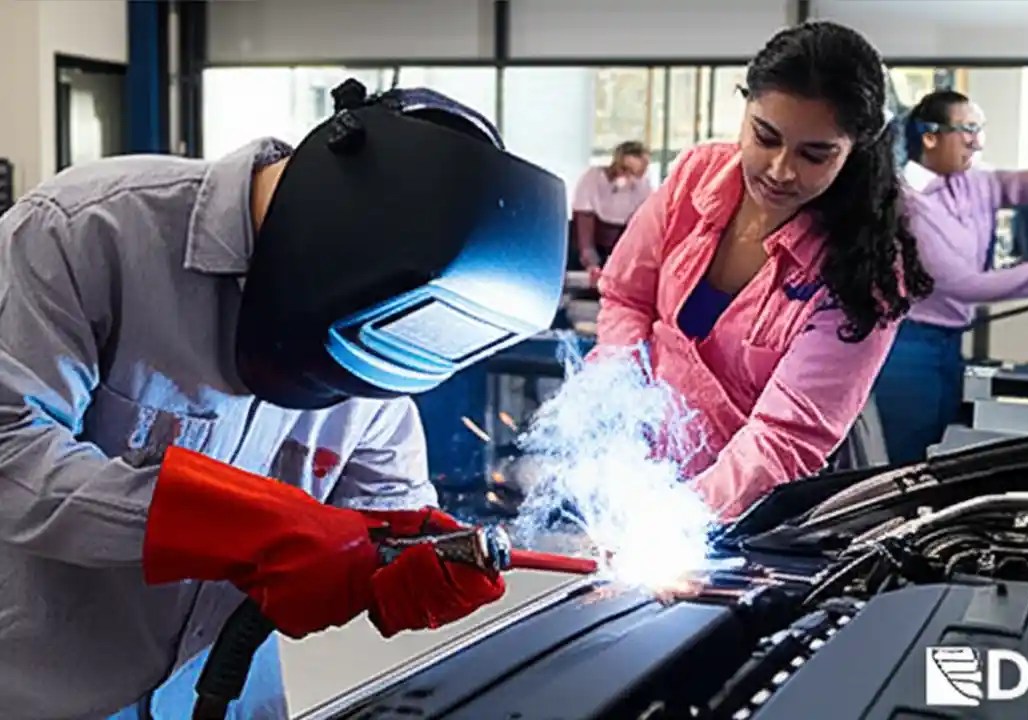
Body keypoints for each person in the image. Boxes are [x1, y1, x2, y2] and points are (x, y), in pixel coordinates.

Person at [0, 79, 568, 719]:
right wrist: (232, 525)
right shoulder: (85, 232)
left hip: (231, 698)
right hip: (42, 694)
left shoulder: (391, 319)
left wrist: (401, 557)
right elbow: (10, 449)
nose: (351, 390)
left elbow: (381, 501)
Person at [593, 21, 933, 521]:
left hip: (751, 513)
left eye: (814, 154)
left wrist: (674, 519)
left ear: (856, 147)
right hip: (639, 471)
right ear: (746, 107)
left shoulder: (869, 268)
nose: (779, 170)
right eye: (765, 136)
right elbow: (626, 298)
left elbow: (786, 436)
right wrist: (614, 410)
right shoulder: (695, 175)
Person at [872, 89, 1028, 464]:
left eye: (979, 129)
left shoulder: (973, 181)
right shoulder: (908, 203)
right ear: (930, 136)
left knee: (937, 446)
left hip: (949, 345)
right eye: (965, 129)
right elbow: (963, 285)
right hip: (909, 347)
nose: (976, 141)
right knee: (907, 455)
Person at [570, 140, 653, 284]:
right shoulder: (592, 180)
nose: (629, 177)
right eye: (625, 169)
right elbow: (584, 232)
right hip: (589, 246)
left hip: (621, 246)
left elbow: (641, 233)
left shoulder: (643, 187)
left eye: (637, 173)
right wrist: (592, 265)